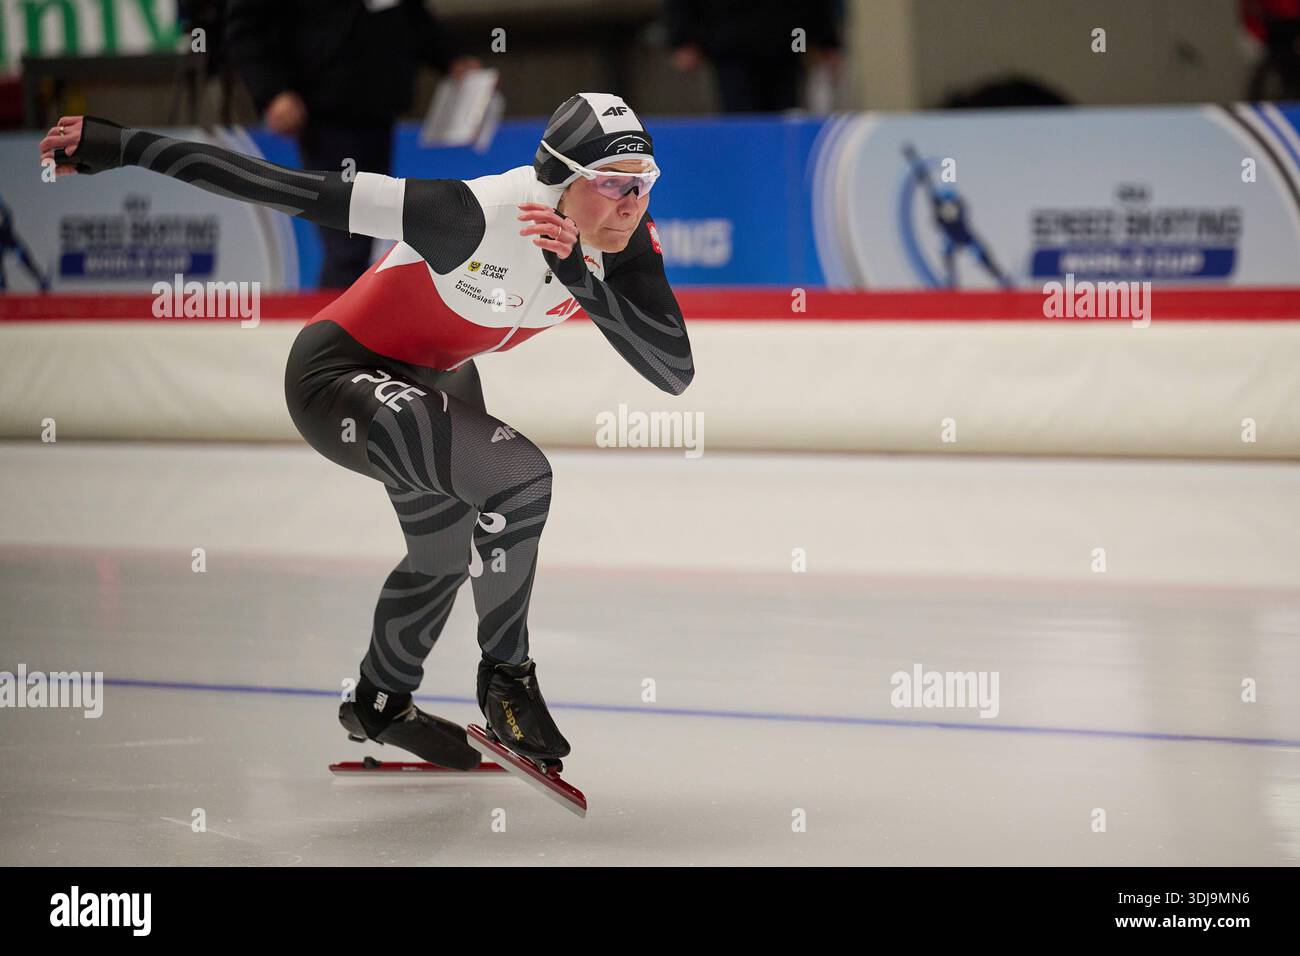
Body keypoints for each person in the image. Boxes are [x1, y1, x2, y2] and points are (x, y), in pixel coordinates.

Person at [39, 93, 694, 771]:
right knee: (519, 478)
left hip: (434, 381)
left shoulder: (623, 244)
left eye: (644, 183)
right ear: (559, 179)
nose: (631, 202)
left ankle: (380, 702)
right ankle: (507, 681)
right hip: (337, 374)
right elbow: (287, 187)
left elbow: (673, 371)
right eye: (613, 182)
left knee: (441, 558)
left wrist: (581, 282)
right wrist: (123, 146)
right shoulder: (467, 213)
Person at [223, 0, 481, 288]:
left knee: (366, 237)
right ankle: (333, 326)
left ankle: (352, 324)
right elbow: (246, 27)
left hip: (377, 108)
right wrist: (271, 91)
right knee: (347, 242)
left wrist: (448, 59)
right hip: (323, 113)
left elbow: (408, 14)